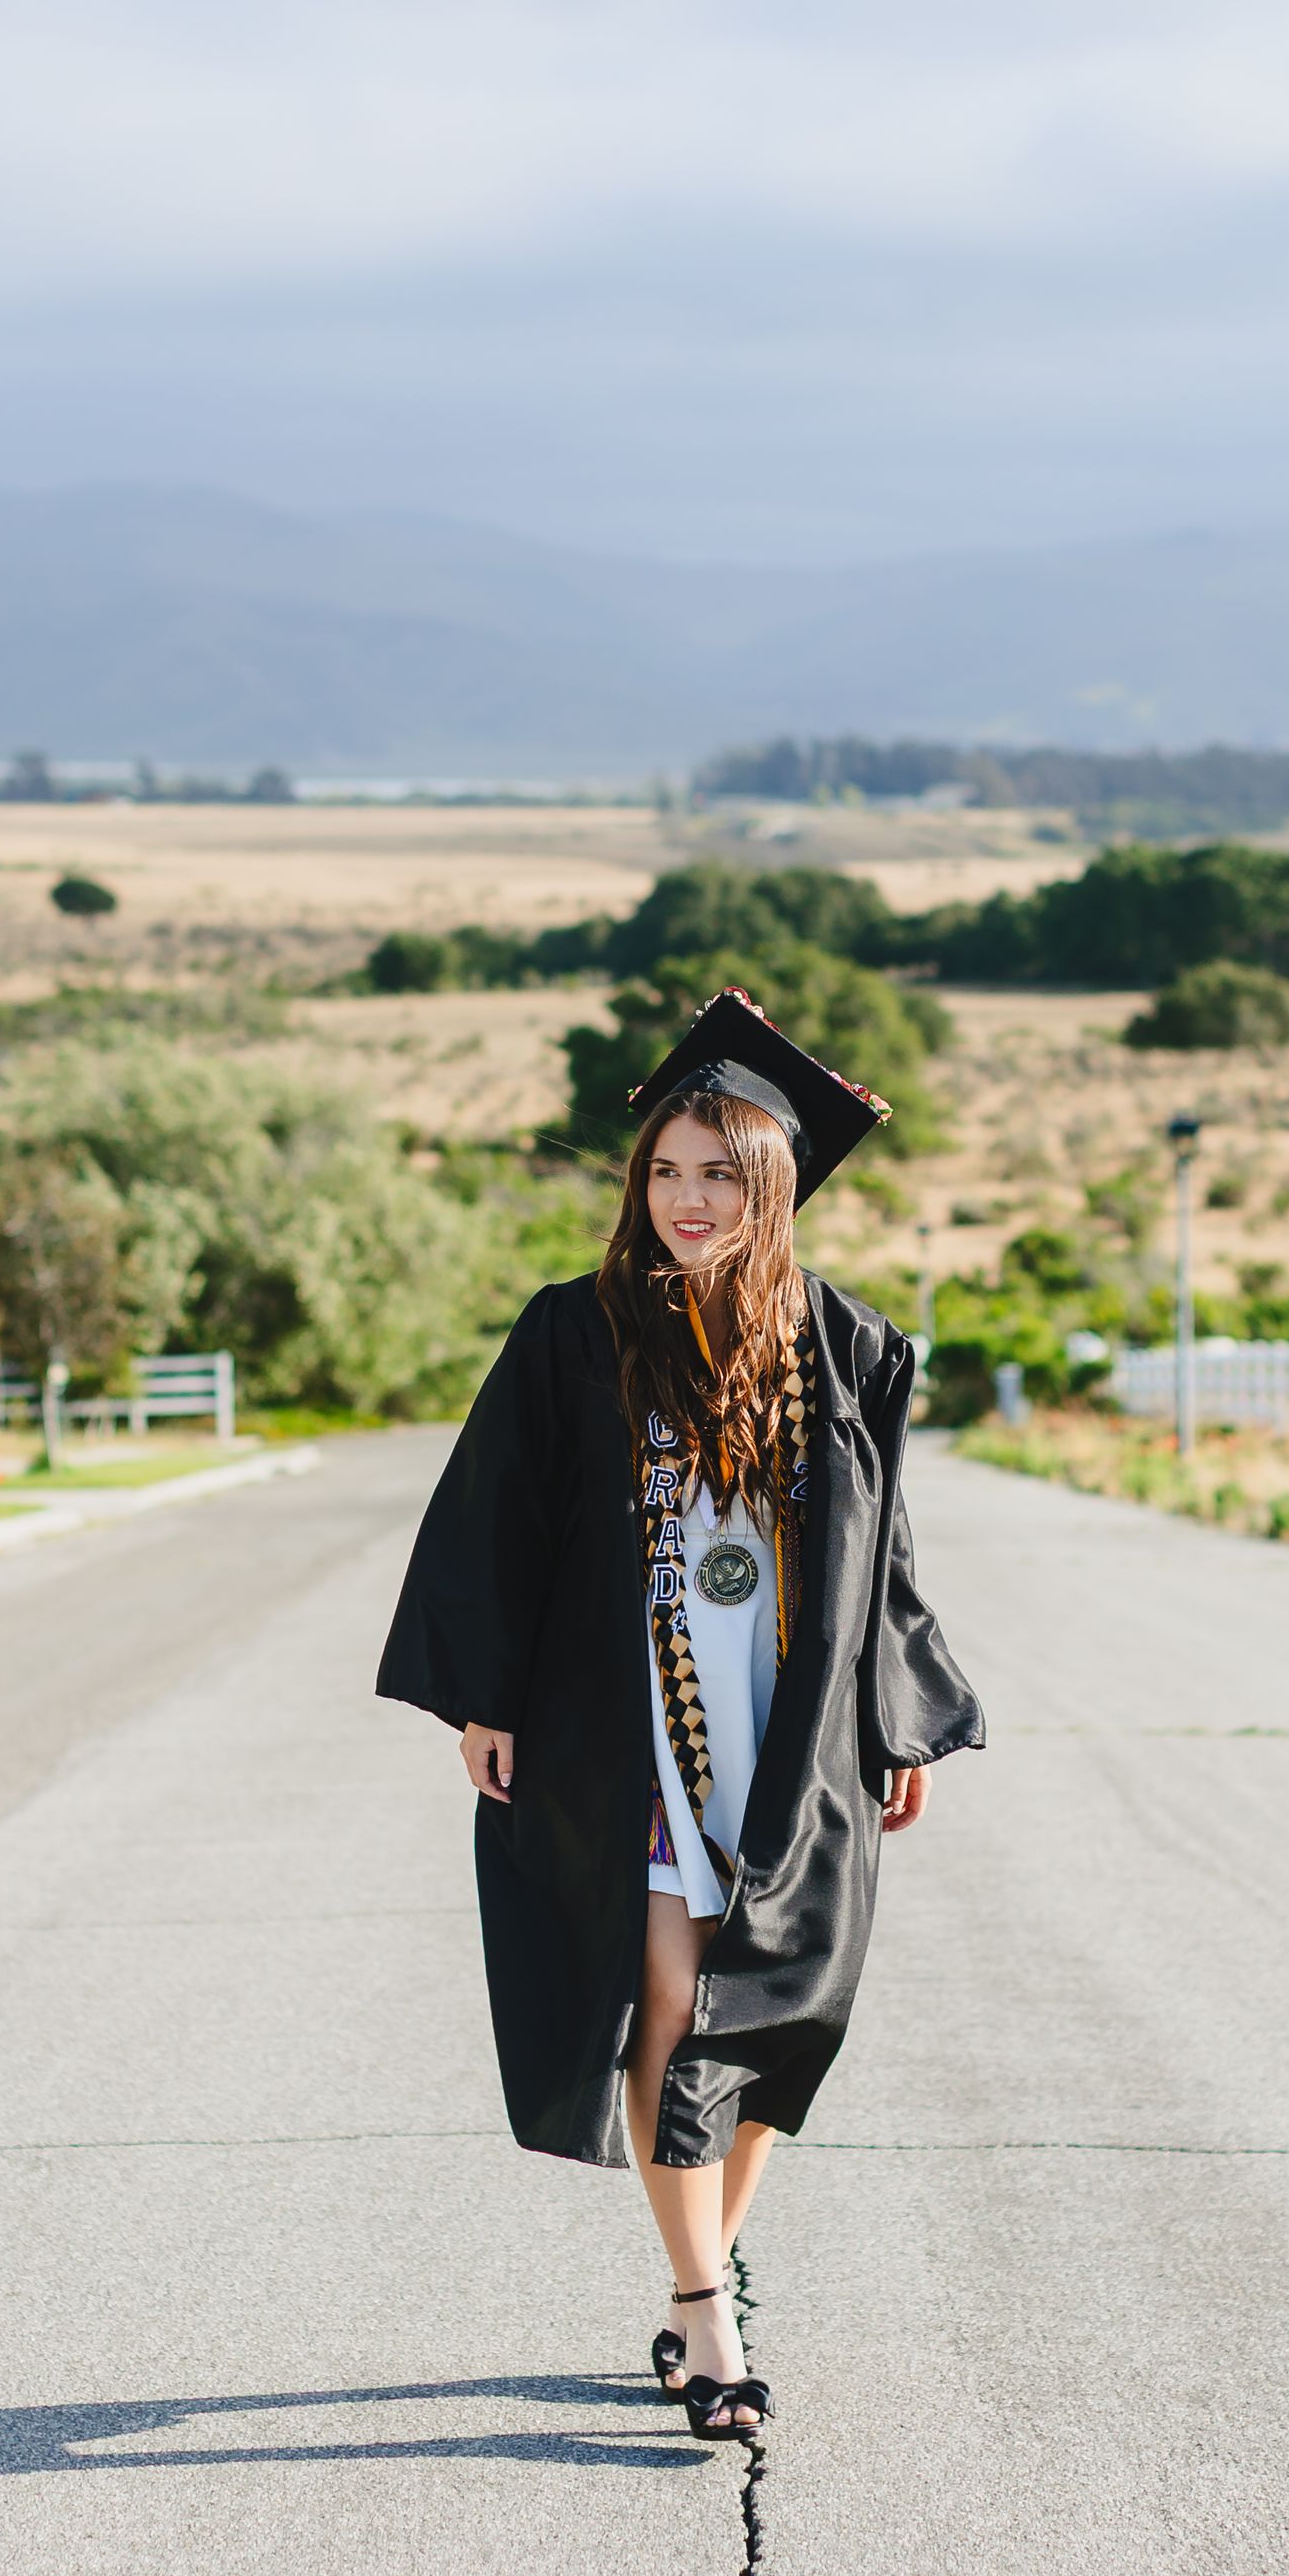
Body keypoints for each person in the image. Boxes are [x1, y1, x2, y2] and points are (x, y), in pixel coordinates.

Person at [376, 987, 982, 2440]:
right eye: (664, 1170)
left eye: (719, 1172)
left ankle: (690, 2276)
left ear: (775, 1185)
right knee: (667, 1996)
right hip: (632, 1723)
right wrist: (486, 1696)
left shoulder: (847, 1346)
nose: (686, 1199)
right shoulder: (573, 1333)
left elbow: (884, 1551)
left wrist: (898, 1715)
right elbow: (499, 1519)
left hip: (792, 1729)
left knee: (777, 2012)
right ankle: (711, 2315)